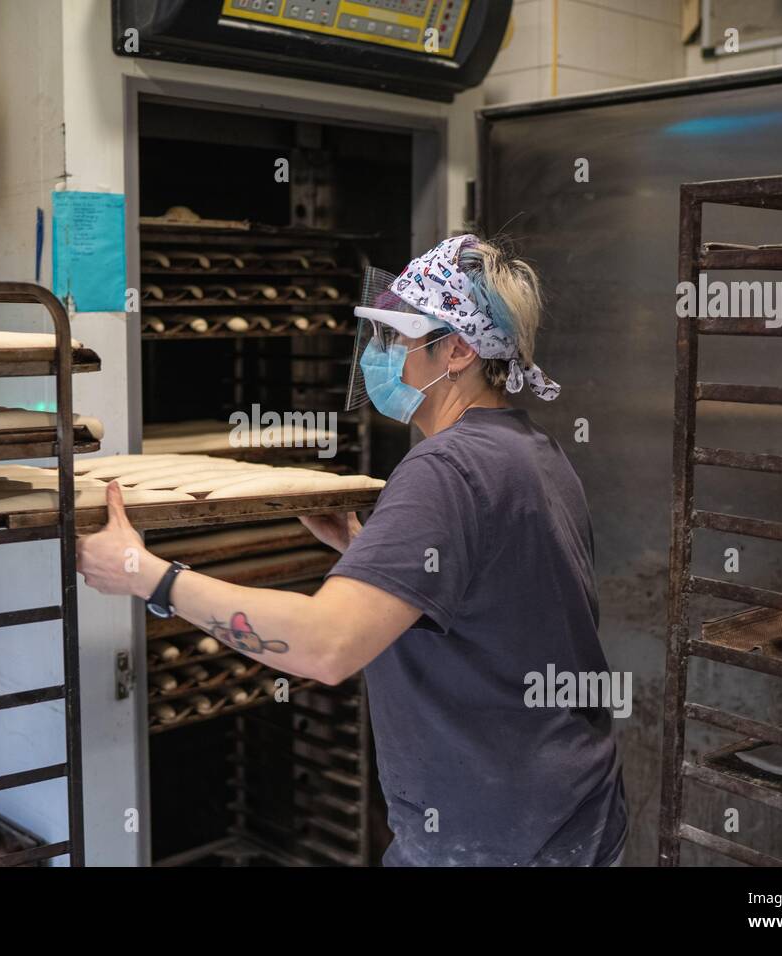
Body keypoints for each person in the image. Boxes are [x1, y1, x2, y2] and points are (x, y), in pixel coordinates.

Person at [77, 233, 628, 867]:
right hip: (573, 815)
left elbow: (325, 647)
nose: (377, 354)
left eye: (396, 337)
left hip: (493, 842)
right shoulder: (532, 452)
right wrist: (367, 551)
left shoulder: (444, 469)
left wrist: (148, 575)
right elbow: (497, 609)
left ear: (455, 349)